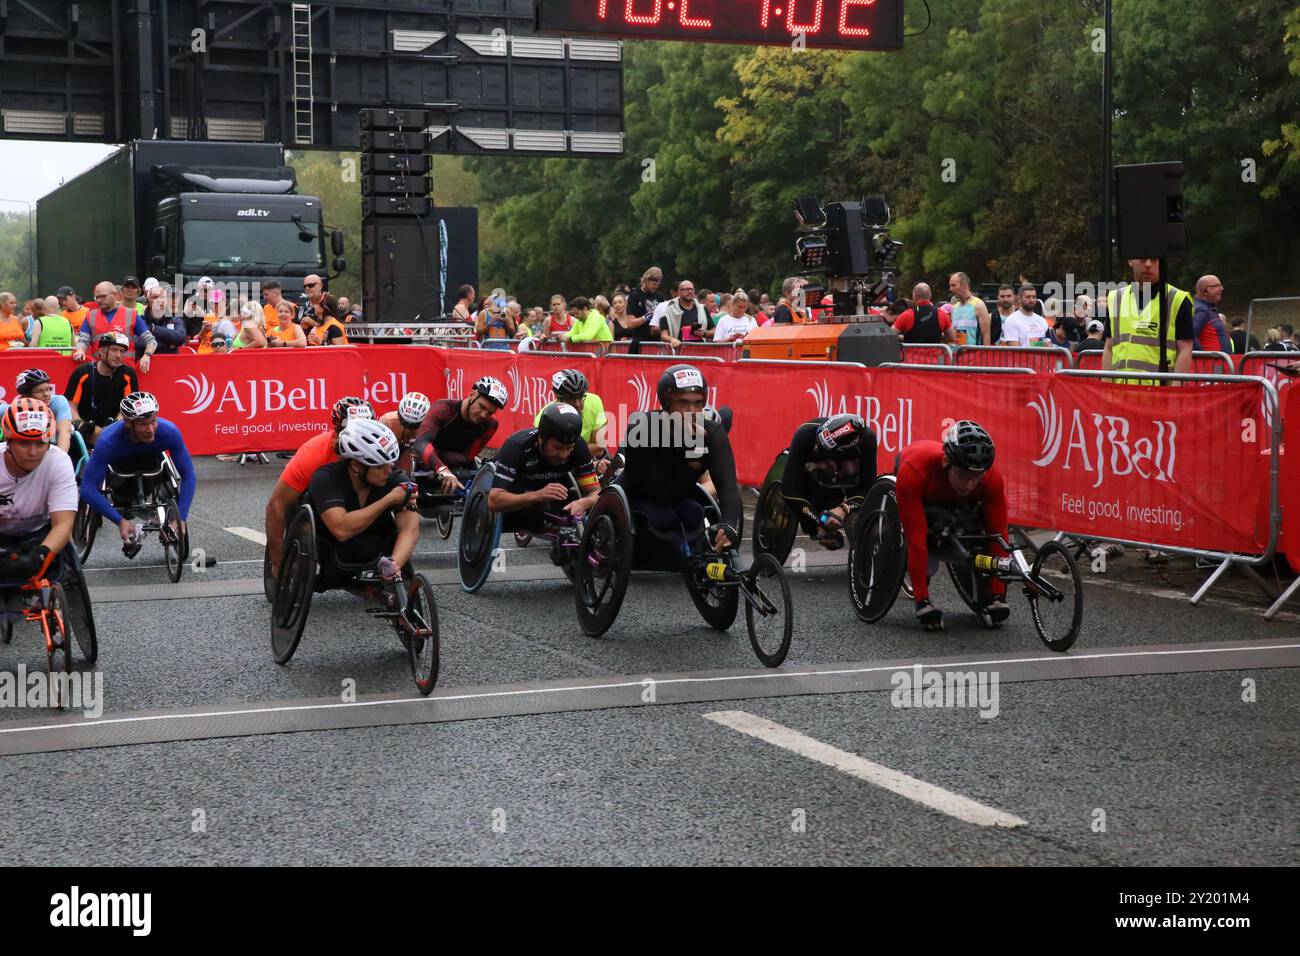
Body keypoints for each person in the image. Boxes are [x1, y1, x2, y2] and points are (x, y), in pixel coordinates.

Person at [617, 364, 742, 556]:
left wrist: (729, 526)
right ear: (667, 403)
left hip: (678, 497)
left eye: (698, 403)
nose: (692, 410)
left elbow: (728, 487)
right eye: (683, 403)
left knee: (694, 513)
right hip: (637, 495)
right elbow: (652, 487)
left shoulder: (712, 433)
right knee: (664, 515)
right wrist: (687, 447)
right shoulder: (642, 427)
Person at [896, 421, 1009, 631]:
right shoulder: (914, 471)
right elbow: (915, 539)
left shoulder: (991, 478)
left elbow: (998, 535)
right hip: (922, 490)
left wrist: (997, 597)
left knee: (978, 525)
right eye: (964, 476)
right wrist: (922, 601)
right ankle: (922, 587)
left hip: (955, 501)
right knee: (926, 548)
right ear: (946, 461)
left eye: (976, 478)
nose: (969, 484)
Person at [264, 396, 375, 577]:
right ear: (338, 430)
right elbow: (276, 506)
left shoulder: (382, 450)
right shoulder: (313, 453)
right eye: (354, 433)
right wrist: (277, 563)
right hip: (322, 508)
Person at [80, 392, 196, 558]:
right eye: (143, 424)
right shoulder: (107, 440)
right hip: (121, 475)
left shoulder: (169, 431)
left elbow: (188, 474)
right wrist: (119, 521)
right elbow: (88, 488)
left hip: (153, 468)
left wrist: (182, 517)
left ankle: (164, 515)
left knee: (163, 468)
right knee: (122, 500)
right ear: (128, 424)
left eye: (153, 421)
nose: (150, 429)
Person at [308, 418, 419, 580]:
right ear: (356, 466)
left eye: (391, 463)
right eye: (380, 466)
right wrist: (389, 499)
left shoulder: (396, 479)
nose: (389, 470)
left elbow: (410, 529)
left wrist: (394, 565)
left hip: (377, 547)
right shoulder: (326, 478)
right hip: (332, 548)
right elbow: (341, 530)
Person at [489, 403, 600, 551]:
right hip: (515, 502)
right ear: (541, 438)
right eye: (557, 448)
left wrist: (583, 503)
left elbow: (596, 493)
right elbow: (494, 501)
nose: (564, 454)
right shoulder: (517, 446)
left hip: (551, 503)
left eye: (569, 448)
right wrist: (538, 495)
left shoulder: (579, 447)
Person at [0, 398, 78, 602]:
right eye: (24, 443)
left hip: (39, 535)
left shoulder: (58, 462)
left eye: (40, 443)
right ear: (9, 442)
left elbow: (64, 524)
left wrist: (41, 554)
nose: (33, 452)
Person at [779, 415, 877, 551]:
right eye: (818, 442)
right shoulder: (805, 435)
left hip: (841, 467)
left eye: (821, 447)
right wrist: (819, 522)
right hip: (810, 467)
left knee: (859, 495)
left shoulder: (867, 440)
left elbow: (867, 489)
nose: (816, 447)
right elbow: (788, 490)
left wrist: (844, 509)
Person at [1103, 258, 1194, 381]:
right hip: (1120, 393)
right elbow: (1109, 347)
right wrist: (1106, 389)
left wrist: (1174, 396)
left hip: (1158, 394)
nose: (1148, 264)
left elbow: (1185, 351)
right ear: (1130, 260)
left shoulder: (1178, 300)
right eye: (1142, 259)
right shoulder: (1114, 298)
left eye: (1154, 259)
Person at [412, 376, 507, 494]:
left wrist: (434, 453)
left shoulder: (490, 424)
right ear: (472, 394)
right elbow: (421, 443)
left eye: (490, 412)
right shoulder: (442, 409)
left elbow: (467, 457)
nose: (483, 415)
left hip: (458, 470)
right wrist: (442, 469)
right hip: (427, 469)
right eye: (482, 407)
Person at [64, 332, 140, 449]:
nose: (118, 355)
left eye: (122, 351)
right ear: (102, 351)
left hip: (116, 430)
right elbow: (70, 406)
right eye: (114, 350)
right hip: (87, 430)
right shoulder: (82, 372)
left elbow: (129, 407)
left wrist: (115, 423)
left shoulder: (128, 374)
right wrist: (80, 423)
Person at [534, 369, 611, 475]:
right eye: (571, 399)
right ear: (559, 399)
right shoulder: (545, 417)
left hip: (586, 461)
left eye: (581, 398)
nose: (578, 404)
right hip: (558, 468)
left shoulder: (594, 401)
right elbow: (550, 455)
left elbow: (599, 448)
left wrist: (568, 451)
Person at [71, 281, 157, 371]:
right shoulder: (90, 316)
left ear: (115, 295)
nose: (99, 300)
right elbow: (83, 341)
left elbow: (151, 341)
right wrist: (80, 350)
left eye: (103, 296)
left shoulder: (131, 314)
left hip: (125, 372)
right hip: (99, 373)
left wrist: (147, 355)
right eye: (97, 297)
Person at [4, 370, 74, 455]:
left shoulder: (59, 401)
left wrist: (60, 458)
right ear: (25, 396)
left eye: (48, 389)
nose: (47, 394)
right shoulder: (14, 408)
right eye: (39, 391)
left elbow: (64, 432)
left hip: (56, 449)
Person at [379, 391, 432, 472]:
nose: (408, 431)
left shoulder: (431, 427)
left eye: (414, 426)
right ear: (398, 414)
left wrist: (424, 456)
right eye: (404, 423)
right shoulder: (387, 422)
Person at [651, 280, 709, 349]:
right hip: (679, 351)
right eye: (686, 289)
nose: (690, 291)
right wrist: (672, 339)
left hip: (699, 351)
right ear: (679, 292)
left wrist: (705, 333)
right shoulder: (670, 310)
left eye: (691, 289)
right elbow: (664, 334)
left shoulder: (702, 309)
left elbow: (714, 330)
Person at [620, 267, 663, 351]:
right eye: (654, 284)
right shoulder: (635, 296)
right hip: (640, 343)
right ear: (646, 280)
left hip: (657, 342)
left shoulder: (660, 297)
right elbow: (630, 324)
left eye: (658, 284)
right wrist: (649, 315)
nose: (656, 287)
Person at [947, 272, 992, 346]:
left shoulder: (978, 305)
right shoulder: (954, 308)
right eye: (950, 286)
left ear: (964, 285)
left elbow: (986, 336)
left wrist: (984, 356)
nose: (951, 289)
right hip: (958, 354)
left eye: (953, 285)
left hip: (975, 354)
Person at [1193, 276, 1231, 353]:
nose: (1222, 289)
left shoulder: (1208, 308)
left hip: (1217, 362)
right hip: (1211, 363)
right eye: (1217, 286)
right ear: (1205, 290)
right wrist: (1203, 356)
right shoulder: (1201, 310)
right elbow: (1190, 336)